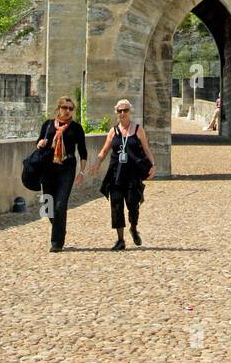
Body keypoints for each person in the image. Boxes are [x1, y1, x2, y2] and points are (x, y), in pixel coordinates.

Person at [90, 100, 155, 250]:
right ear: (117, 113)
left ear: (130, 111)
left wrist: (153, 165)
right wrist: (97, 163)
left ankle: (133, 227)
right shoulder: (113, 131)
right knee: (116, 206)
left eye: (125, 110)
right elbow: (104, 150)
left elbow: (146, 150)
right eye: (119, 111)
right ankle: (120, 240)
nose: (122, 113)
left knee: (133, 205)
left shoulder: (138, 130)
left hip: (133, 174)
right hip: (116, 174)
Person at [36, 97, 88, 252]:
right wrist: (40, 144)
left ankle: (56, 243)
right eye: (65, 107)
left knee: (60, 205)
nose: (67, 111)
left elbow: (83, 152)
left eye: (71, 108)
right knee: (48, 206)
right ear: (58, 108)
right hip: (48, 168)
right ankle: (60, 228)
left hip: (67, 168)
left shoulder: (76, 128)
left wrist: (81, 172)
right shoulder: (48, 125)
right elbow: (39, 141)